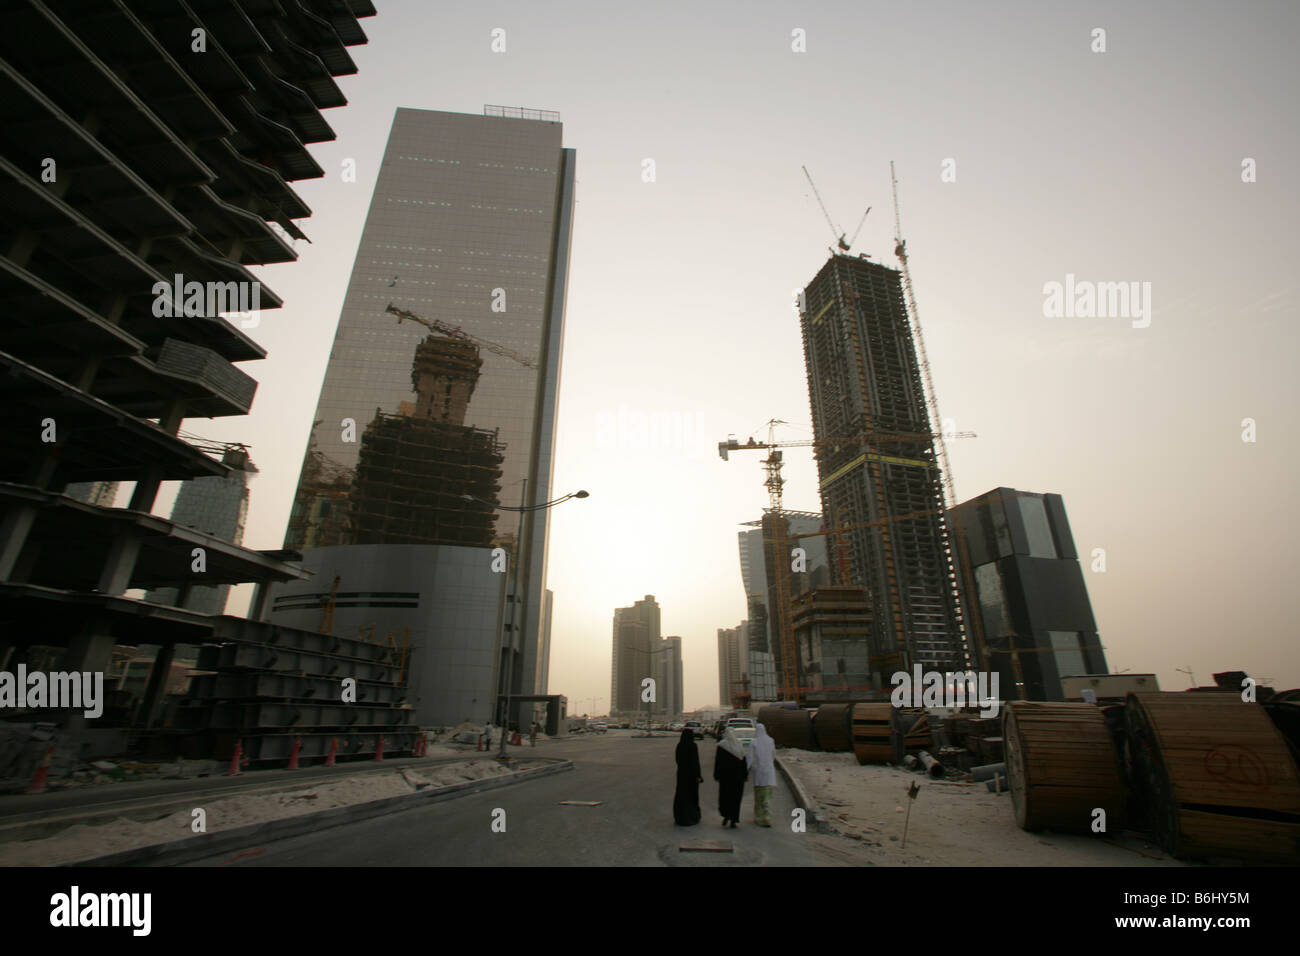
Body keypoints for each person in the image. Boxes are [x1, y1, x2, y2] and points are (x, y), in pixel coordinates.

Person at [713, 728, 748, 828]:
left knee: (725, 797)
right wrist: (745, 775)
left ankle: (726, 816)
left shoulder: (722, 746)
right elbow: (743, 762)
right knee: (735, 799)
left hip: (725, 778)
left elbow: (718, 762)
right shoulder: (739, 745)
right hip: (738, 778)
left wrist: (717, 775)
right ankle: (733, 820)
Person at [747, 723, 777, 827]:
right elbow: (773, 755)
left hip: (758, 773)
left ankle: (759, 818)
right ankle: (767, 817)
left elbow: (750, 758)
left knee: (759, 797)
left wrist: (746, 770)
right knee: (767, 796)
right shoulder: (771, 741)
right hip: (769, 772)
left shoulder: (754, 742)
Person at [673, 728, 702, 826]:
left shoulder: (679, 745)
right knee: (691, 795)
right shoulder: (693, 746)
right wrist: (698, 776)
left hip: (681, 774)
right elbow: (695, 762)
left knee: (681, 794)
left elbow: (677, 759)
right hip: (691, 775)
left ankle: (679, 816)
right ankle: (690, 816)